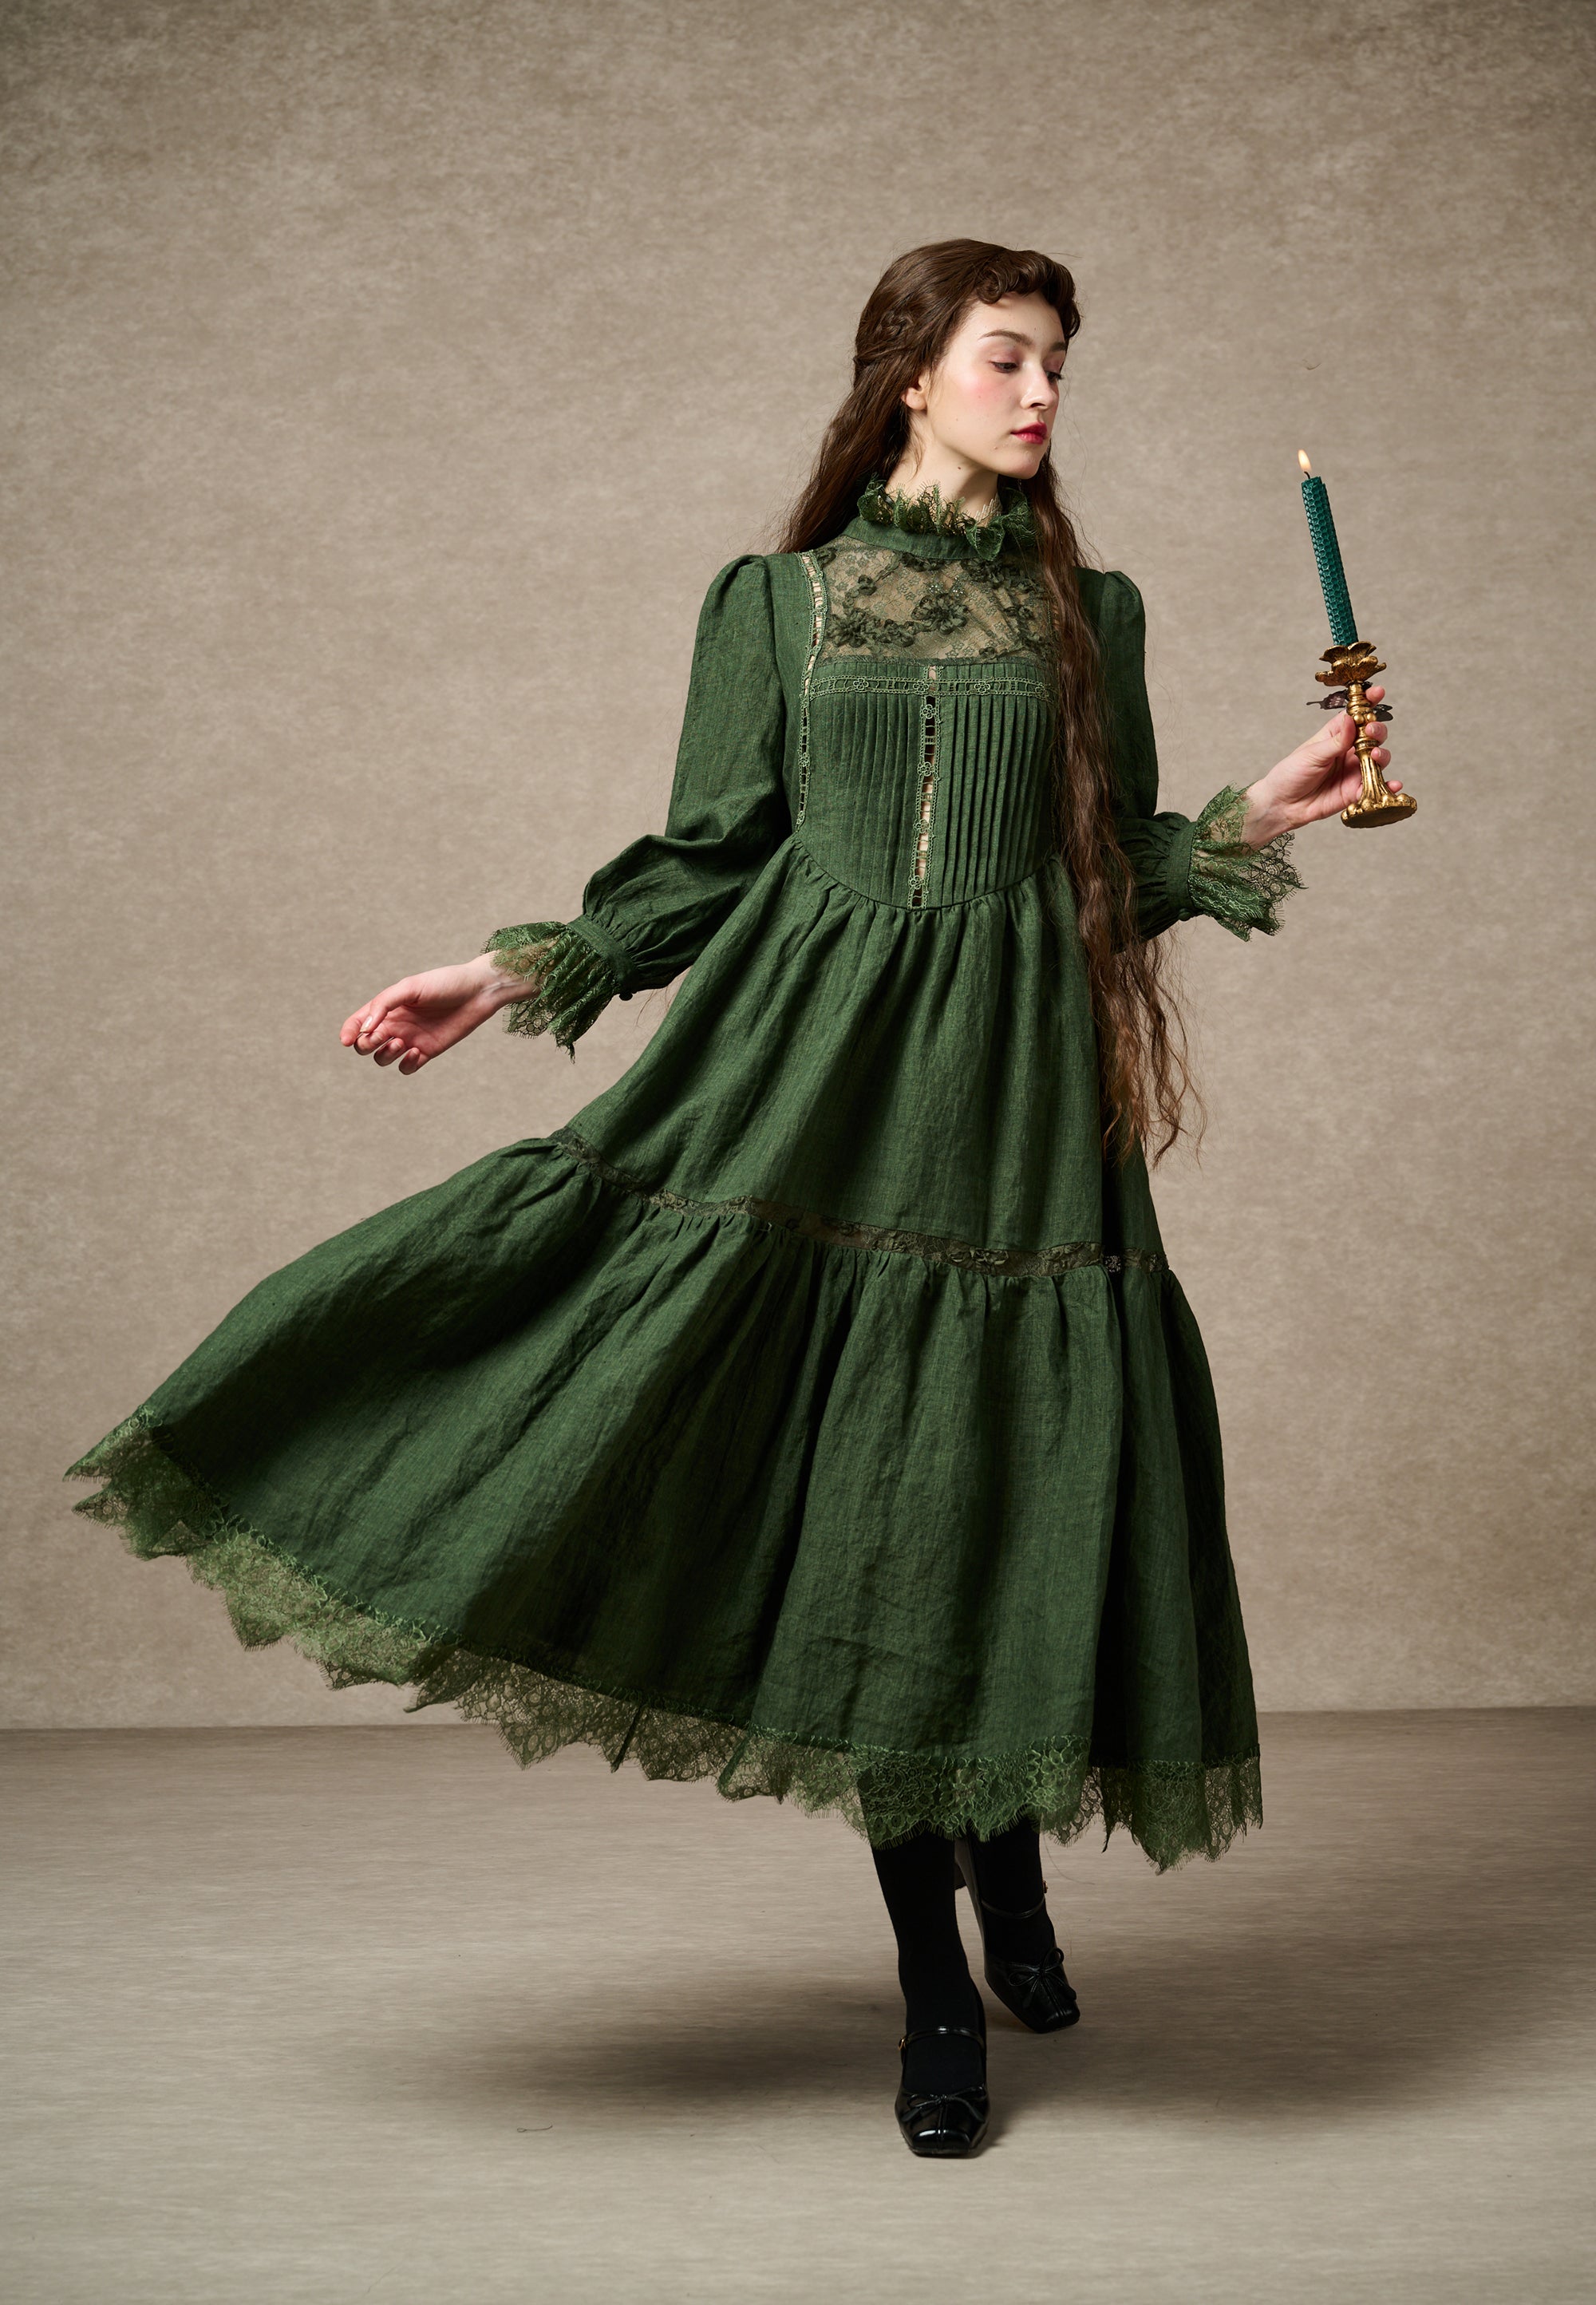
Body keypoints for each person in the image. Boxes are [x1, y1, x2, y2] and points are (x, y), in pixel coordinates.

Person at [67, 239, 1395, 2160]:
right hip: (805, 1098)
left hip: (1020, 1113)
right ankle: (934, 1986)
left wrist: (1259, 816)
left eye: (1057, 366)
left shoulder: (1089, 610)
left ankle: (1010, 1872)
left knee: (1000, 1487)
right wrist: (501, 975)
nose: (1042, 395)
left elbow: (1103, 876)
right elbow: (708, 859)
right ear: (909, 376)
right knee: (877, 1520)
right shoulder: (774, 604)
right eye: (1007, 358)